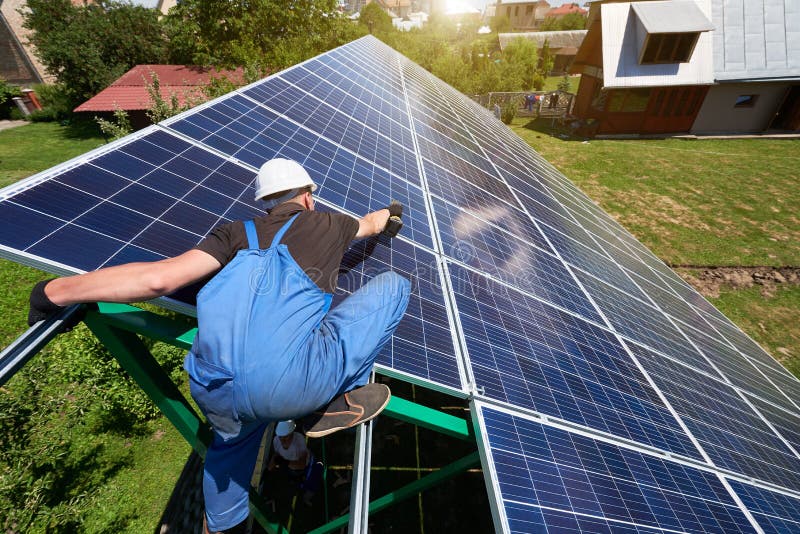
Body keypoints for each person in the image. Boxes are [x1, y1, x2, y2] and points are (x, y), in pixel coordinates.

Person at [27, 158, 411, 533]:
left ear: (267, 202)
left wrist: (54, 290)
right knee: (395, 286)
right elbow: (370, 224)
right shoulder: (331, 223)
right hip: (289, 386)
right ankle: (330, 400)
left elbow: (160, 279)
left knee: (229, 450)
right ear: (309, 197)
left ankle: (221, 525)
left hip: (213, 386)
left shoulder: (233, 232)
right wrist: (389, 215)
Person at [267, 420, 321, 506]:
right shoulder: (276, 440)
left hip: (306, 466)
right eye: (280, 436)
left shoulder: (299, 440)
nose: (282, 439)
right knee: (293, 479)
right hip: (290, 468)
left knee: (312, 482)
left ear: (292, 433)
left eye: (286, 436)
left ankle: (307, 498)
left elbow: (302, 464)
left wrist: (284, 462)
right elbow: (276, 454)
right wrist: (270, 467)